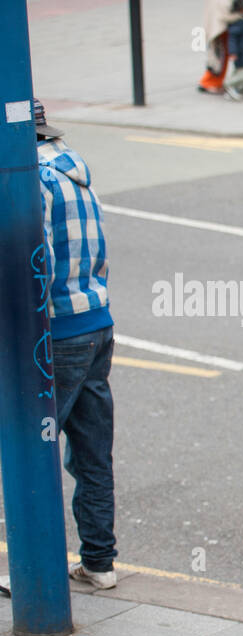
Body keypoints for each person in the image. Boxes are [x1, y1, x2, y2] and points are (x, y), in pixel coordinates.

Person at [34, 101, 118, 590]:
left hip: (58, 330)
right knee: (91, 452)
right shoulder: (73, 168)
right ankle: (100, 563)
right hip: (97, 321)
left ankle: (36, 564)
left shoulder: (31, 177)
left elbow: (35, 261)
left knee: (33, 446)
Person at [197, 0, 239, 94]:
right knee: (220, 48)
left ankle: (213, 81)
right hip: (223, 11)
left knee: (221, 47)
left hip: (223, 10)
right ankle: (211, 81)